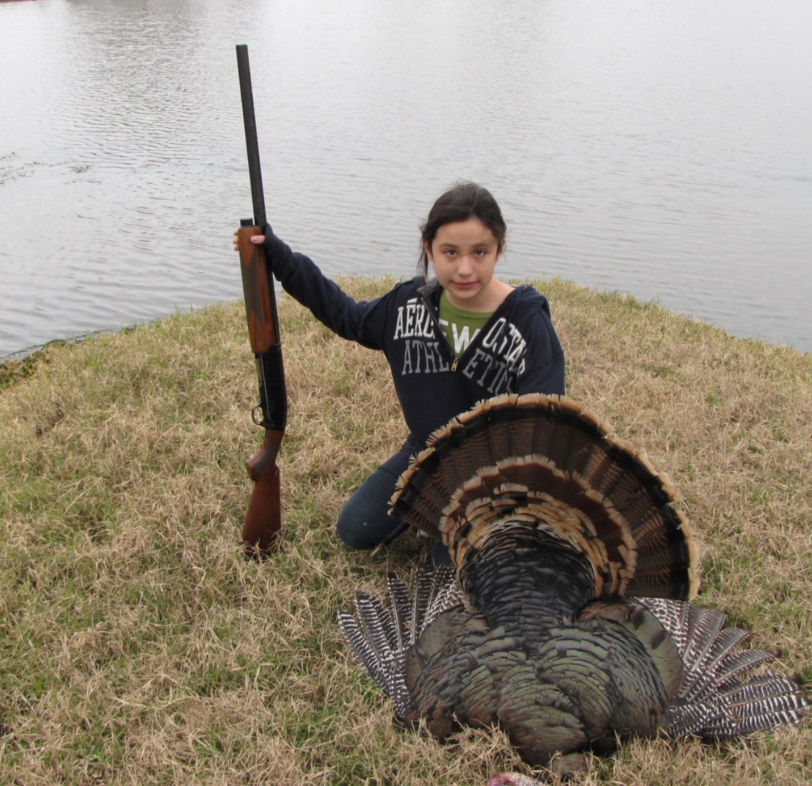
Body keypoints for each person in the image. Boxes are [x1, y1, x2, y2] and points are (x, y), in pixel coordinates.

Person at [234, 182, 565, 559]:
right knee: (354, 529)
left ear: (499, 250)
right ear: (429, 249)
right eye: (450, 252)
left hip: (495, 478)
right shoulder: (407, 304)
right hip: (427, 456)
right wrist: (278, 257)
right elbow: (345, 315)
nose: (465, 268)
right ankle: (428, 515)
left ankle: (475, 531)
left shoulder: (527, 321)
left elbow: (547, 421)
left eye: (480, 252)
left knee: (451, 573)